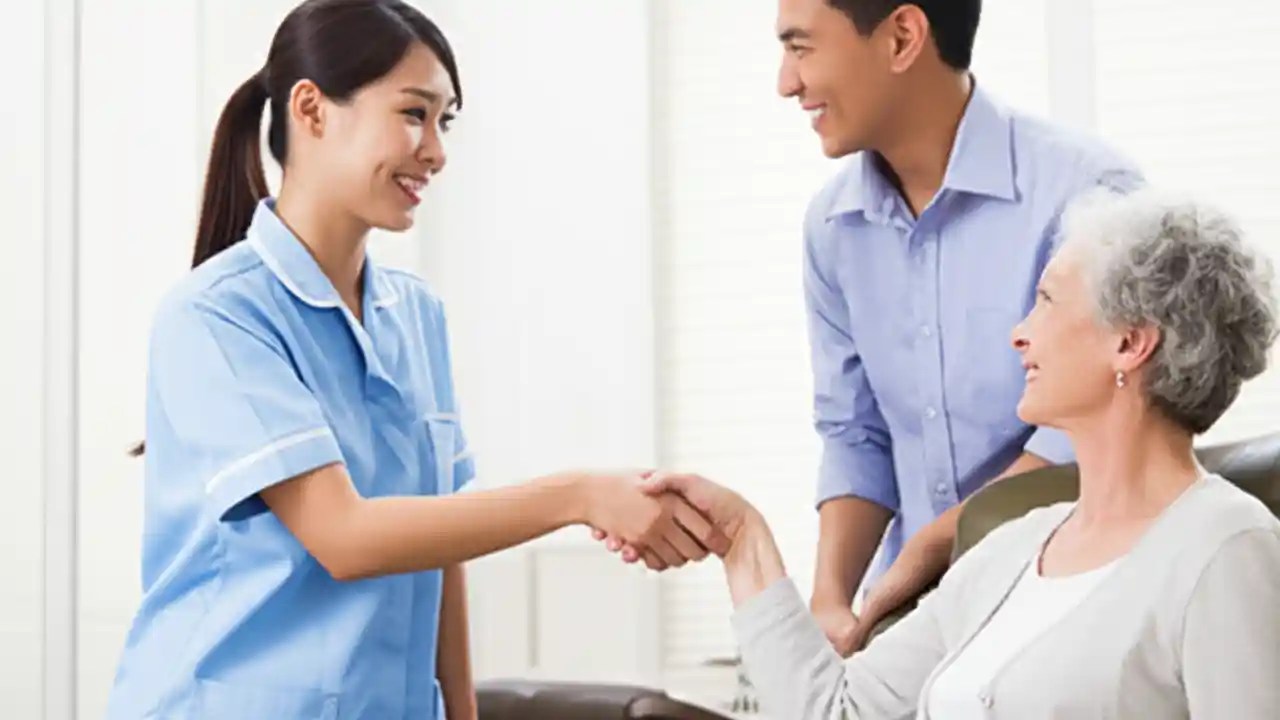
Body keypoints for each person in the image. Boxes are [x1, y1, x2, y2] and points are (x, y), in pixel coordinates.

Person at [105, 2, 725, 718]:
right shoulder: (215, 316)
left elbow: (439, 544)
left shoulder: (416, 315)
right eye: (413, 113)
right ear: (311, 109)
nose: (435, 150)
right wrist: (578, 495)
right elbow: (345, 536)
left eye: (445, 121)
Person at [639, 188, 1280, 718]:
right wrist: (742, 540)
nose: (1020, 333)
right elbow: (837, 711)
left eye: (1048, 301)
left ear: (1130, 344)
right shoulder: (1011, 549)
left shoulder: (1228, 547)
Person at [778, 0, 1145, 655]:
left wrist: (936, 543)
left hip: (1075, 613)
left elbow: (1097, 421)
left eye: (802, 48)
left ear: (901, 37)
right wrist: (831, 601)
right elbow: (854, 432)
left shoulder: (1088, 193)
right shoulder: (831, 227)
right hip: (922, 627)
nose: (786, 82)